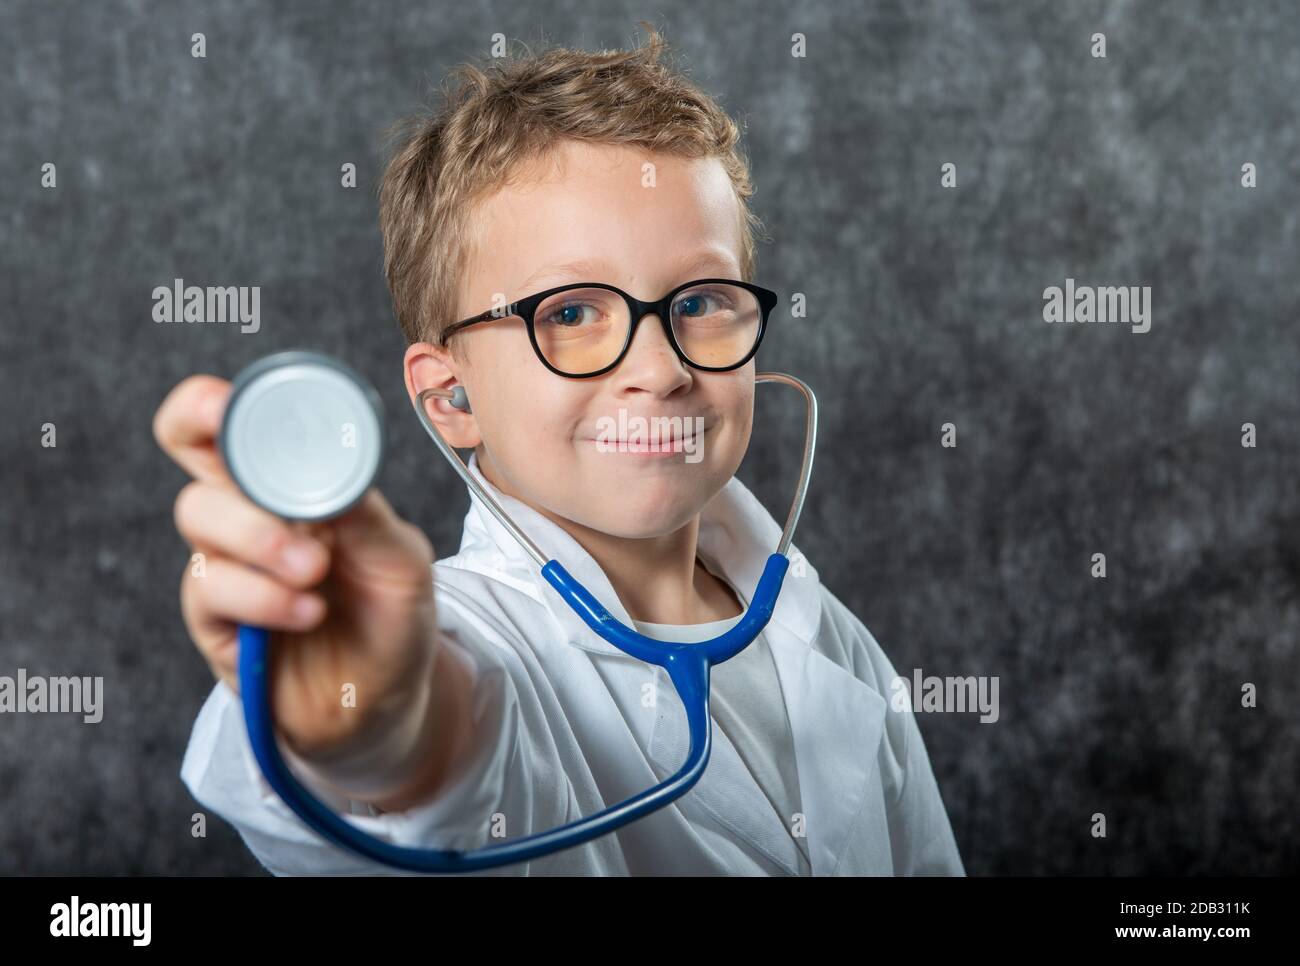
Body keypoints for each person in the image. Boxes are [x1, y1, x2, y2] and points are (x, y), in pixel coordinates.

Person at [153, 22, 965, 876]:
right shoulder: (463, 641)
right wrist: (371, 727)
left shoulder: (826, 634)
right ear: (450, 395)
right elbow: (438, 761)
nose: (659, 370)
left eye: (699, 301)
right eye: (571, 313)